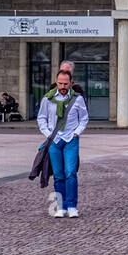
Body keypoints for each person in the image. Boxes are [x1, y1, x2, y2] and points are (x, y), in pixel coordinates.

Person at [38, 68, 88, 219]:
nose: (63, 86)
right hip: (54, 140)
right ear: (56, 82)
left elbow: (84, 118)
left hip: (70, 140)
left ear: (71, 83)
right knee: (58, 175)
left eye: (65, 83)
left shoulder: (77, 99)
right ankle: (61, 207)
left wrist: (76, 133)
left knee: (70, 173)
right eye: (60, 83)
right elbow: (41, 118)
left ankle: (72, 206)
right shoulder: (47, 99)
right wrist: (48, 134)